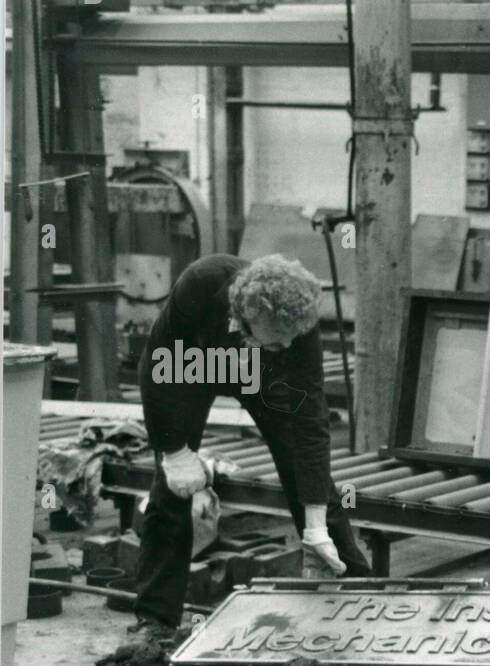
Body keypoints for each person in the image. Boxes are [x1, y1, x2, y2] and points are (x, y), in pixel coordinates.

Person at [132, 253, 371, 638]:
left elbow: (310, 423)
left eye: (293, 339)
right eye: (280, 340)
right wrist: (173, 451)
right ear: (251, 314)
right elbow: (156, 367)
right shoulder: (200, 284)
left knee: (309, 478)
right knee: (172, 486)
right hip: (194, 366)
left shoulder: (296, 325)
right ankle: (155, 621)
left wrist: (314, 526)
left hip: (264, 375)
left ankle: (357, 592)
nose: (289, 344)